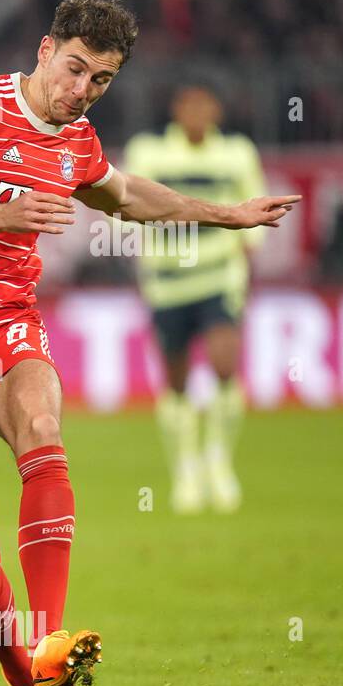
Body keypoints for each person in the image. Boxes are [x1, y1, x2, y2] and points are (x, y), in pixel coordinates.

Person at [0, 0, 299, 686]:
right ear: (44, 50)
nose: (81, 90)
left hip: (4, 323)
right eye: (76, 68)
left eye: (101, 79)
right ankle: (33, 685)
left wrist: (224, 212)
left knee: (41, 424)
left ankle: (55, 641)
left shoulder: (76, 139)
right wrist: (1, 216)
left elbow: (122, 196)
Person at [124, 85, 267, 513]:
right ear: (176, 108)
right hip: (167, 283)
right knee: (177, 382)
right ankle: (185, 467)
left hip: (219, 277)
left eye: (205, 103)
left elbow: (254, 209)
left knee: (225, 367)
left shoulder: (237, 154)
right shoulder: (149, 153)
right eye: (189, 103)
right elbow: (125, 205)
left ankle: (218, 461)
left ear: (217, 109)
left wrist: (248, 250)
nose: (197, 112)